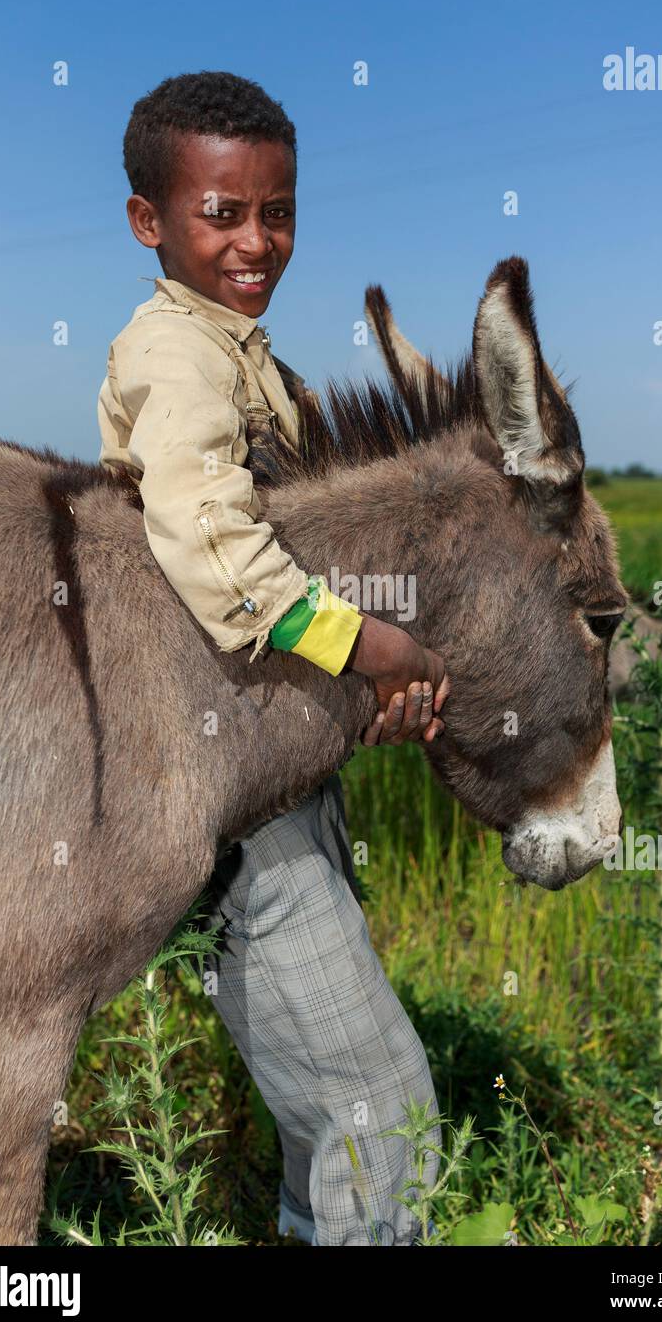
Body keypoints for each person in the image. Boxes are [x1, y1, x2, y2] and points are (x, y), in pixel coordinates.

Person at [96, 71, 449, 1245]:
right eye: (222, 213)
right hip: (236, 808)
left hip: (279, 767)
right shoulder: (174, 357)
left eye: (278, 211)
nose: (257, 241)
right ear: (150, 220)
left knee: (330, 1121)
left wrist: (360, 694)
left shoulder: (253, 362)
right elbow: (210, 536)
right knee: (380, 1118)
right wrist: (364, 642)